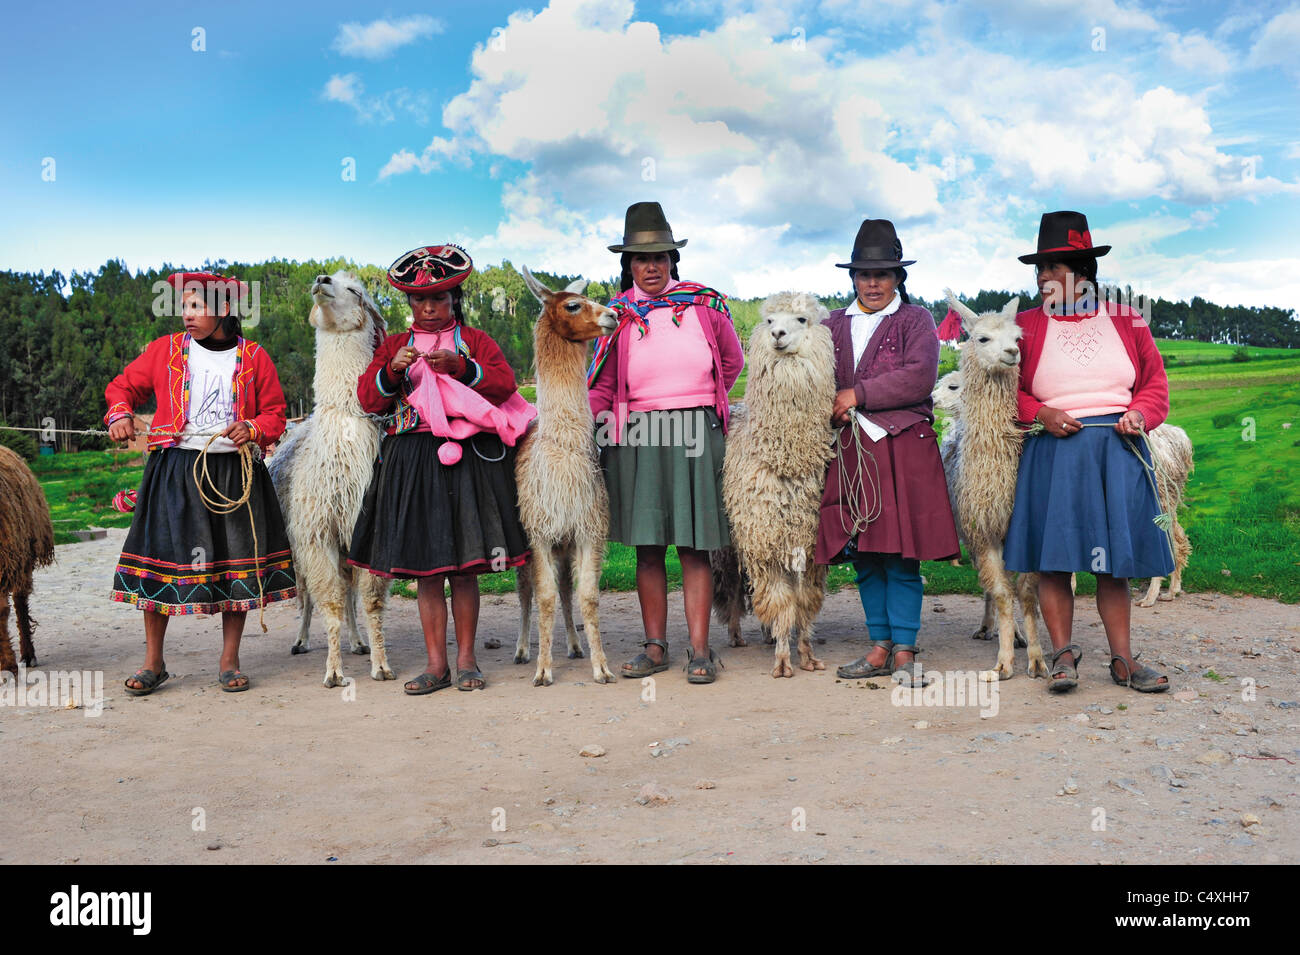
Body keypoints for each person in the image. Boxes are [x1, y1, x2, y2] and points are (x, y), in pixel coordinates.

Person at [350, 244, 532, 695]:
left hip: (467, 462)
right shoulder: (395, 346)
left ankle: (467, 660)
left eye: (439, 298)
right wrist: (391, 371)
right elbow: (368, 400)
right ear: (409, 303)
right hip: (411, 463)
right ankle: (437, 665)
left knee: (464, 567)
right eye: (419, 300)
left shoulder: (475, 342)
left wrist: (463, 368)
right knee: (429, 571)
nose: (429, 307)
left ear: (455, 298)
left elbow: (504, 383)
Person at [1004, 211, 1173, 693]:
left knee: (1112, 563)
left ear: (1084, 272)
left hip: (1115, 452)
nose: (1043, 278)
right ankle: (1063, 657)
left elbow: (1155, 385)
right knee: (1054, 560)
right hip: (1054, 453)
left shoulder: (1126, 320)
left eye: (1054, 268)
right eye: (1040, 269)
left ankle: (1122, 660)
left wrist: (1139, 413)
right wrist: (1040, 413)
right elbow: (1004, 391)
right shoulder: (1025, 327)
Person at [106, 271, 296, 694]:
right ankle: (154, 662)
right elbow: (124, 386)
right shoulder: (166, 351)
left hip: (234, 475)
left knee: (235, 563)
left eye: (197, 306)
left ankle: (230, 661)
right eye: (184, 306)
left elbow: (275, 414)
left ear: (224, 310)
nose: (186, 315)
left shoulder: (254, 357)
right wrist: (119, 413)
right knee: (159, 563)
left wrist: (253, 427)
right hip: (174, 470)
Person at [588, 202, 744, 684]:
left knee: (695, 548)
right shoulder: (616, 317)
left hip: (696, 433)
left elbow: (732, 363)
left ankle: (700, 650)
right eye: (641, 259)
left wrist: (699, 403)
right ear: (628, 265)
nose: (651, 267)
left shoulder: (706, 306)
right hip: (637, 434)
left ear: (674, 260)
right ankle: (655, 646)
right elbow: (603, 384)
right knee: (649, 548)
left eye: (660, 257)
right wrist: (589, 424)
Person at [816, 219, 960, 687]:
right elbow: (814, 378)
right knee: (865, 553)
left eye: (882, 274)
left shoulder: (915, 321)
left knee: (900, 554)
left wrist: (855, 394)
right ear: (852, 278)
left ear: (899, 277)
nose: (873, 283)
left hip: (902, 451)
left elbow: (918, 378)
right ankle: (879, 646)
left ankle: (904, 650)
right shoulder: (832, 325)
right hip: (851, 451)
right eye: (863, 274)